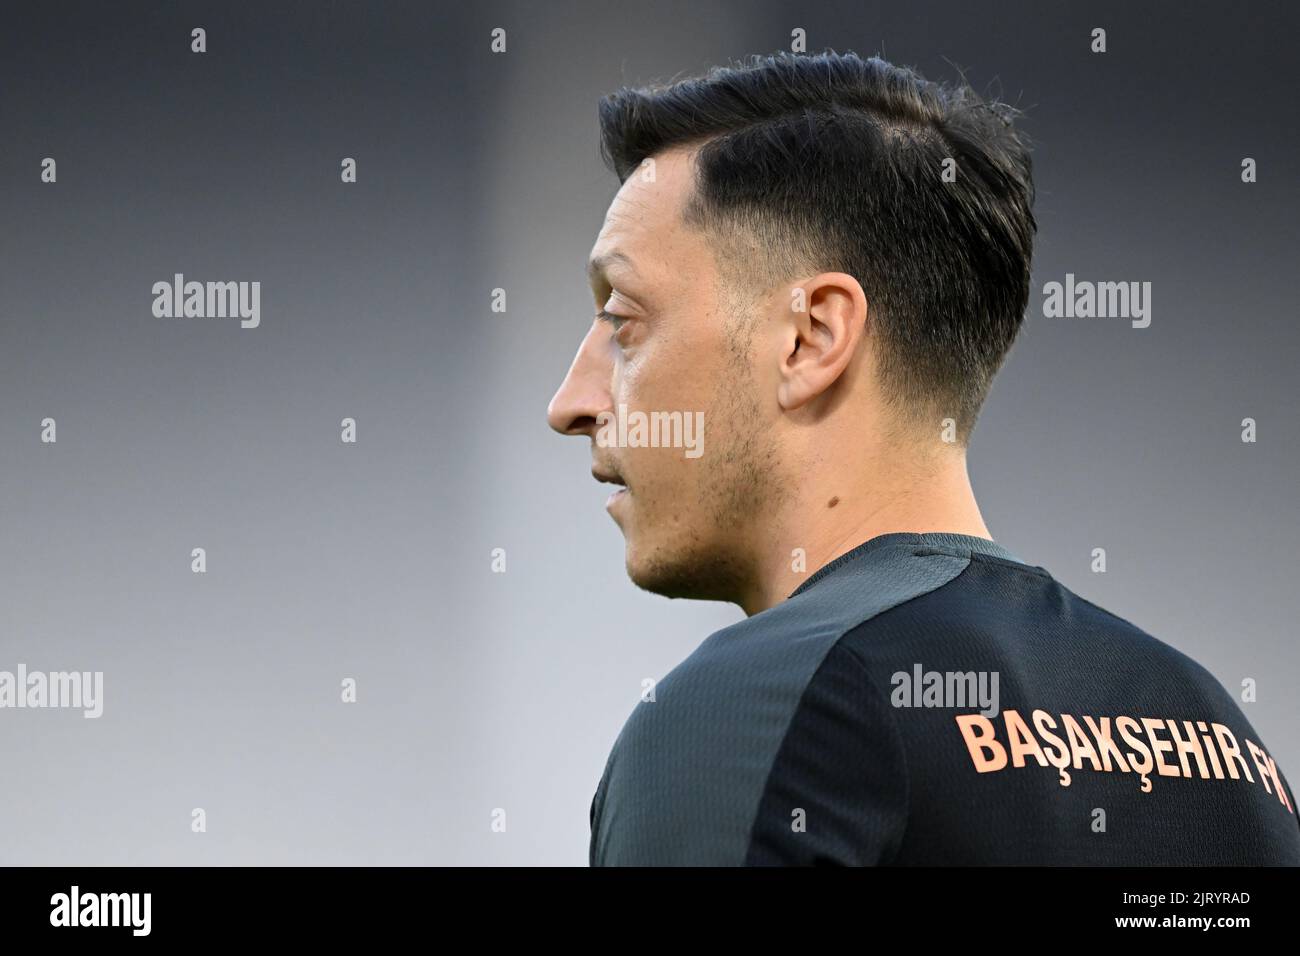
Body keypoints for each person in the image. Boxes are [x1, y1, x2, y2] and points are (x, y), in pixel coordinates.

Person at [546, 50, 1300, 865]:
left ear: (809, 338)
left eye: (622, 321)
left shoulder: (753, 715)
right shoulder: (1224, 743)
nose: (570, 404)